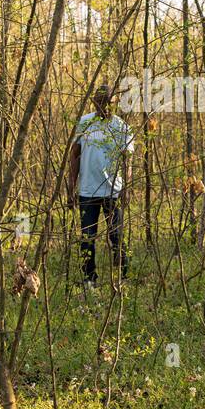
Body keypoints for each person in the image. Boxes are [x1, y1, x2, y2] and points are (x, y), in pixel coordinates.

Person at [68, 84, 134, 286]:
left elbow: (127, 161)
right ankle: (89, 280)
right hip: (88, 190)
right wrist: (71, 188)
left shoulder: (122, 127)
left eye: (109, 102)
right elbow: (74, 155)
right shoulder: (84, 123)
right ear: (94, 102)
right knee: (87, 237)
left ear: (115, 104)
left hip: (113, 191)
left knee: (117, 236)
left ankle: (123, 278)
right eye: (100, 102)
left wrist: (126, 188)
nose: (104, 106)